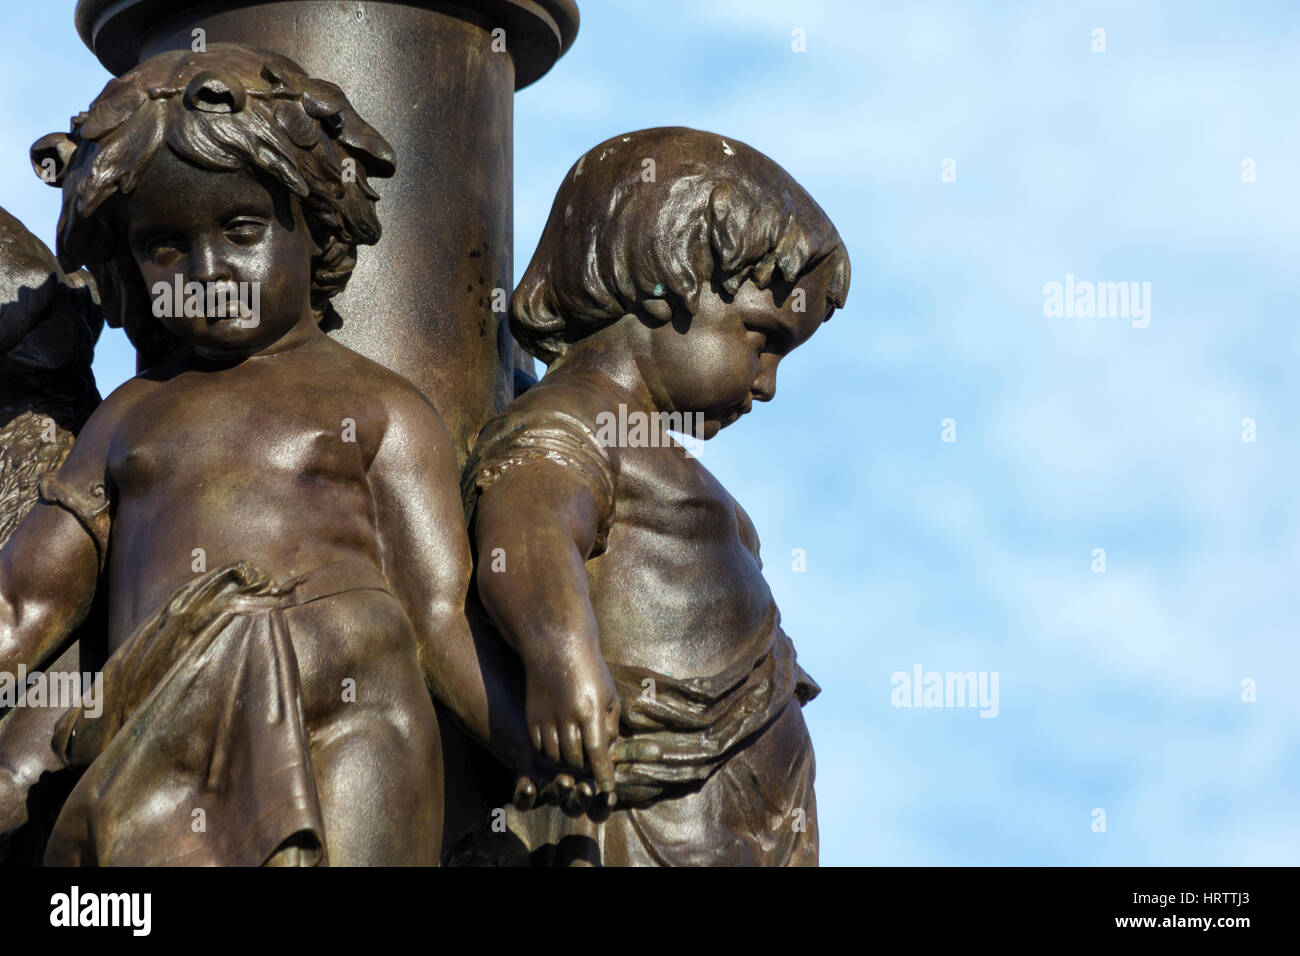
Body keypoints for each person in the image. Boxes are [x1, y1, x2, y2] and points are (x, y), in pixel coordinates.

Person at [0, 43, 536, 865]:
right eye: (164, 246)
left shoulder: (381, 406)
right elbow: (29, 603)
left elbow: (439, 618)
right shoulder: (129, 416)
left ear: (313, 221)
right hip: (166, 734)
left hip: (353, 719)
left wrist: (537, 747)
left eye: (242, 228)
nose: (208, 269)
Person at [465, 127, 851, 865]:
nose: (767, 385)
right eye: (761, 339)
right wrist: (563, 658)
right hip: (647, 823)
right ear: (662, 279)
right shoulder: (575, 421)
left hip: (737, 828)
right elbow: (531, 528)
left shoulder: (690, 477)